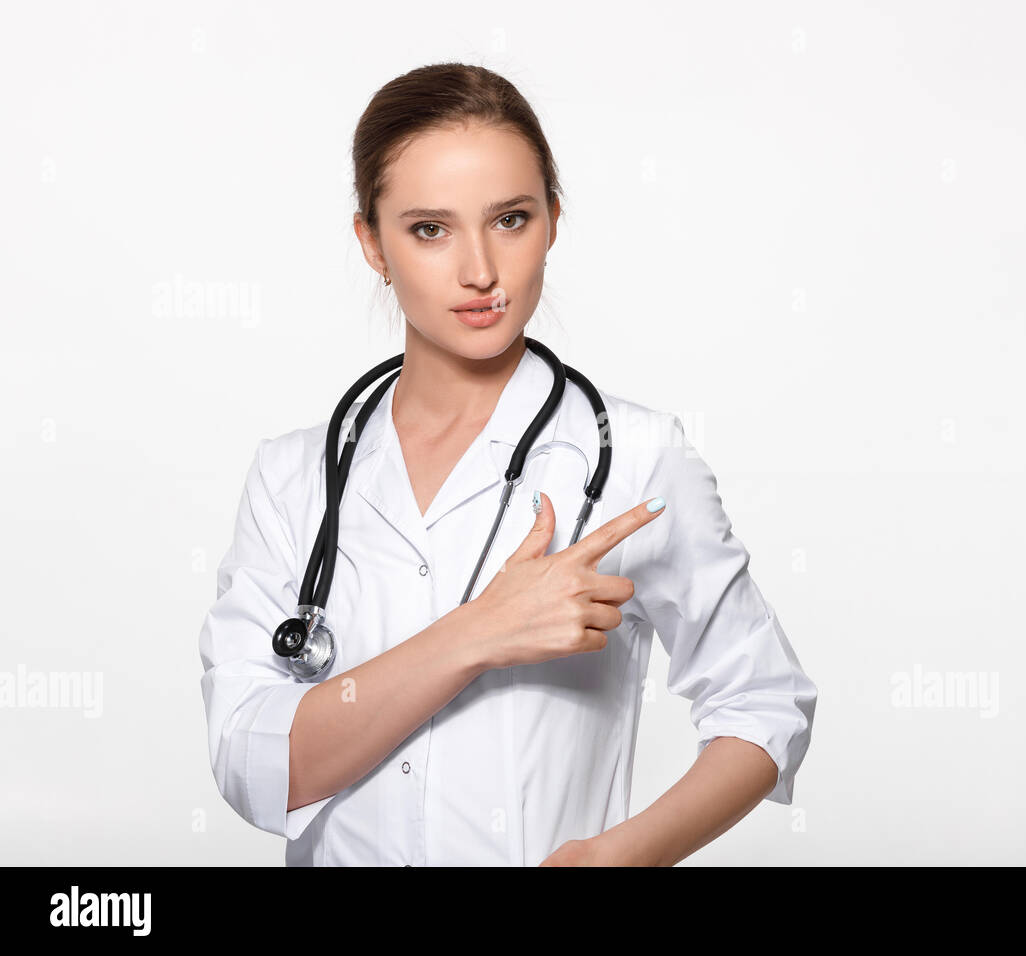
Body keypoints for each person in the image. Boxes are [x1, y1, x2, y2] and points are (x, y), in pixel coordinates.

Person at [198, 62, 817, 866]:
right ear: (371, 244)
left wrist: (616, 857)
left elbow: (763, 704)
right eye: (430, 229)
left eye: (511, 220)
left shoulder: (635, 458)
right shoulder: (294, 478)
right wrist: (477, 634)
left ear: (553, 221)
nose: (480, 271)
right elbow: (255, 768)